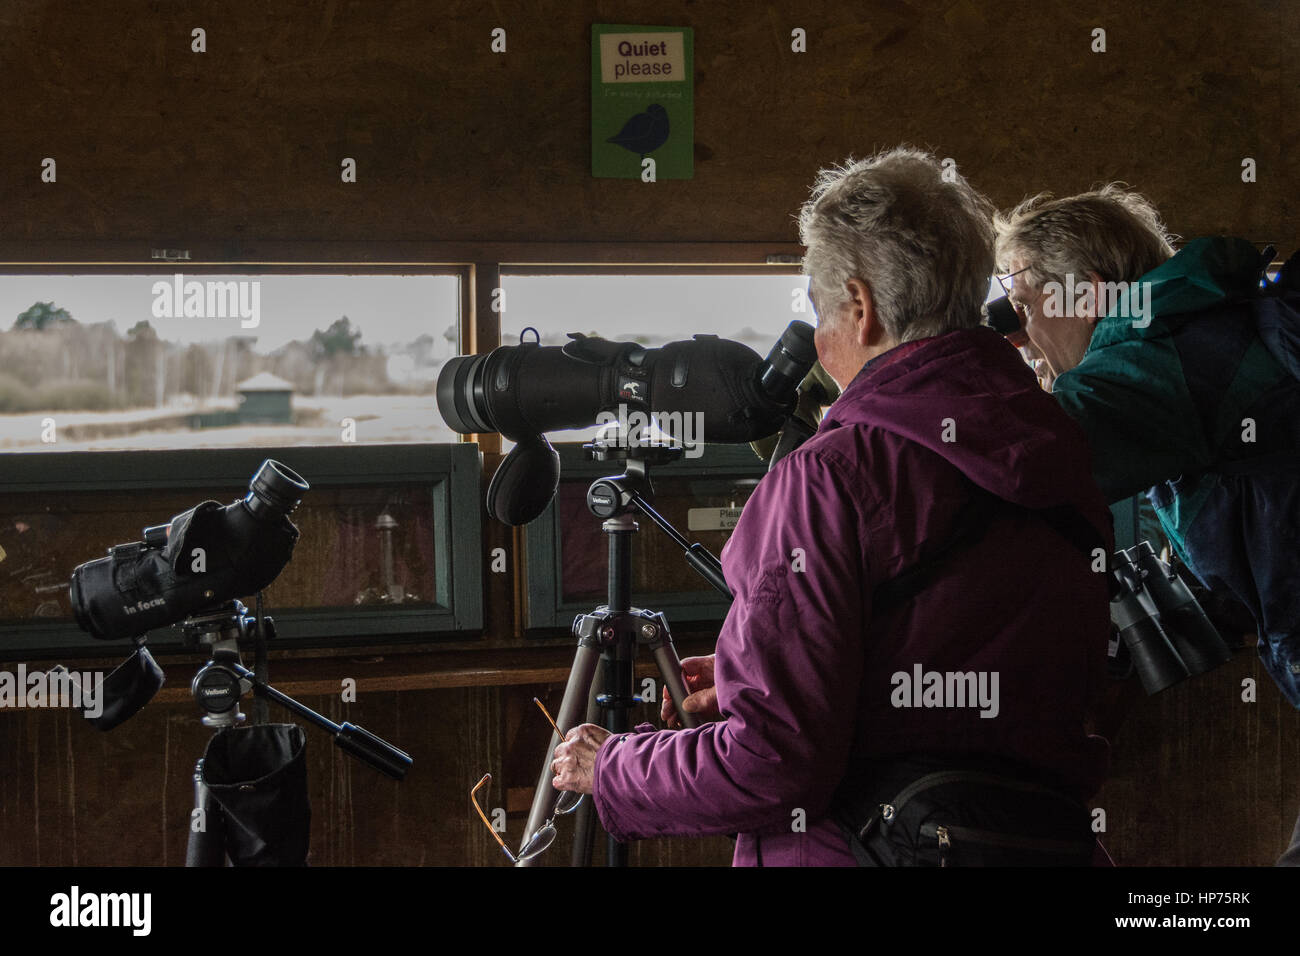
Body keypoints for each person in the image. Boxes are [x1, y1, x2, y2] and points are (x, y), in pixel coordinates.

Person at [550, 147, 1116, 866]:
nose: (817, 341)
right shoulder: (1057, 449)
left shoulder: (830, 478)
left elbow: (773, 766)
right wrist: (753, 673)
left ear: (862, 306)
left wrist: (617, 768)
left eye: (820, 313)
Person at [994, 187, 1300, 709]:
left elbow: (1015, 461)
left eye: (1022, 307)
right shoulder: (1195, 329)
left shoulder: (1151, 362)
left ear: (1087, 296)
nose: (1017, 337)